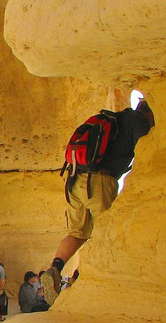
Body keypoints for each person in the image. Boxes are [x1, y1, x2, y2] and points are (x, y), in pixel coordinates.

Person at [40, 100, 155, 305]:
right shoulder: (138, 121)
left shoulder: (115, 118)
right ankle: (81, 277)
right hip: (99, 181)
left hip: (74, 180)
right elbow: (150, 151)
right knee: (105, 233)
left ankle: (55, 269)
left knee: (77, 233)